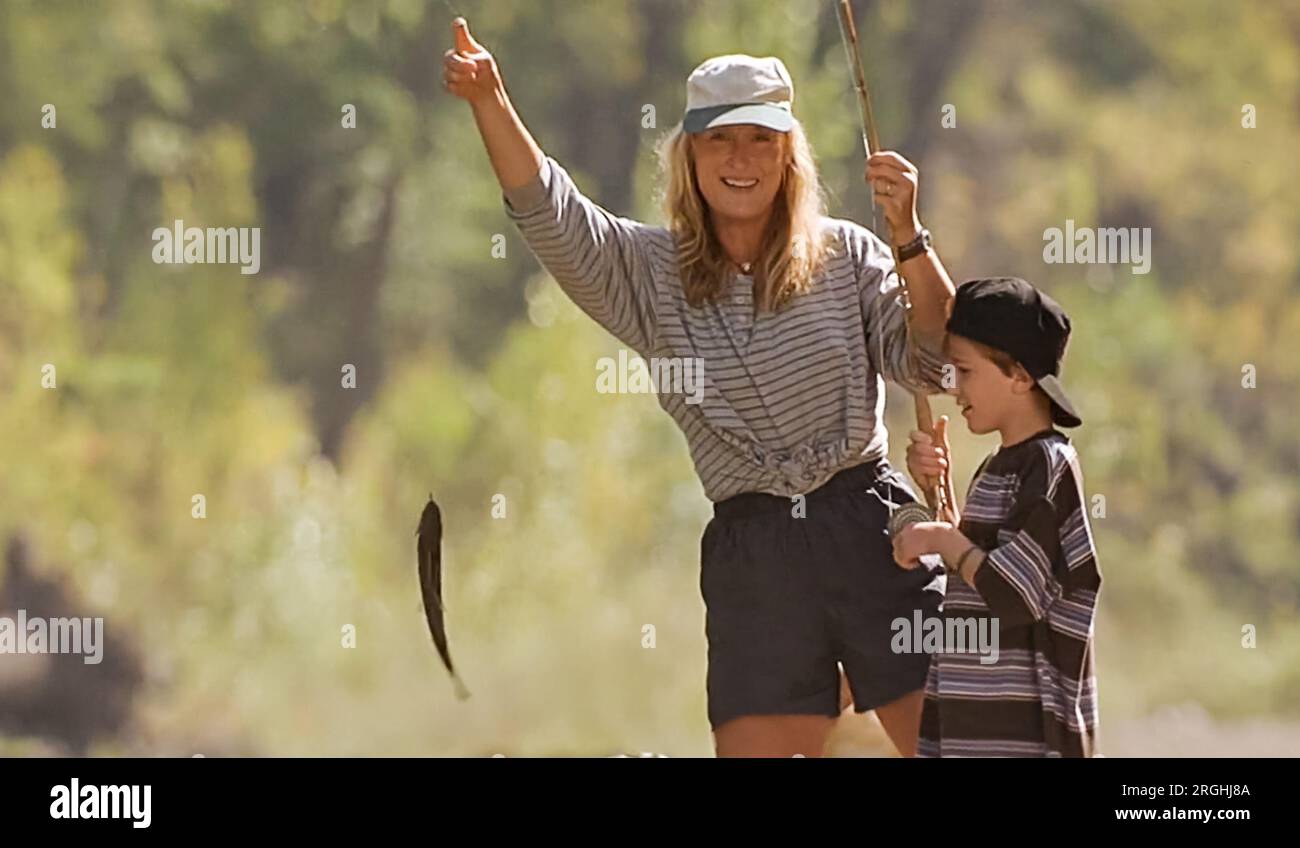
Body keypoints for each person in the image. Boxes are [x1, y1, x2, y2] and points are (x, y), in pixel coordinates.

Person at [445, 17, 956, 757]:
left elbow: (934, 362)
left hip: (870, 528)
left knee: (959, 749)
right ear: (690, 155)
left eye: (760, 139)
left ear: (788, 156)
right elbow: (550, 215)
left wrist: (909, 234)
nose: (740, 158)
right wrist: (491, 98)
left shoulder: (848, 253)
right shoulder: (651, 274)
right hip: (754, 553)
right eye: (719, 138)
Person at [896, 277, 1101, 756]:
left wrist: (944, 539)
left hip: (1026, 742)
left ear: (1020, 376)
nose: (955, 387)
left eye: (965, 371)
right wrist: (937, 494)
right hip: (973, 737)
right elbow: (976, 575)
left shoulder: (1049, 467)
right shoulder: (997, 467)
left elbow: (1014, 594)